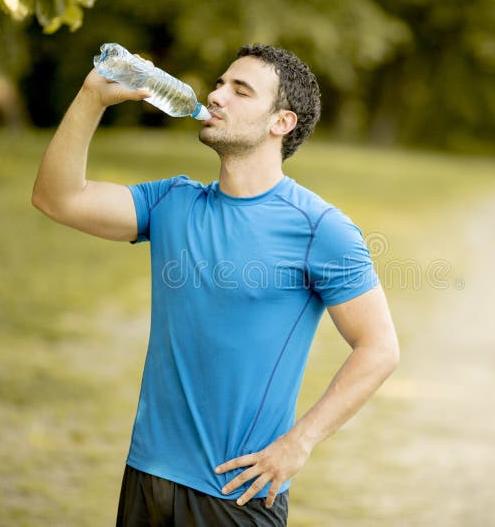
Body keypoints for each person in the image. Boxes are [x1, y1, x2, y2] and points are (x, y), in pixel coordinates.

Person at [32, 44, 399, 525]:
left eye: (240, 90)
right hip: (147, 476)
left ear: (281, 123)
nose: (216, 95)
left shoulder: (319, 229)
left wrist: (298, 443)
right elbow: (56, 198)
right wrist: (90, 98)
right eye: (220, 83)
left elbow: (379, 348)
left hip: (236, 494)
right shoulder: (171, 202)